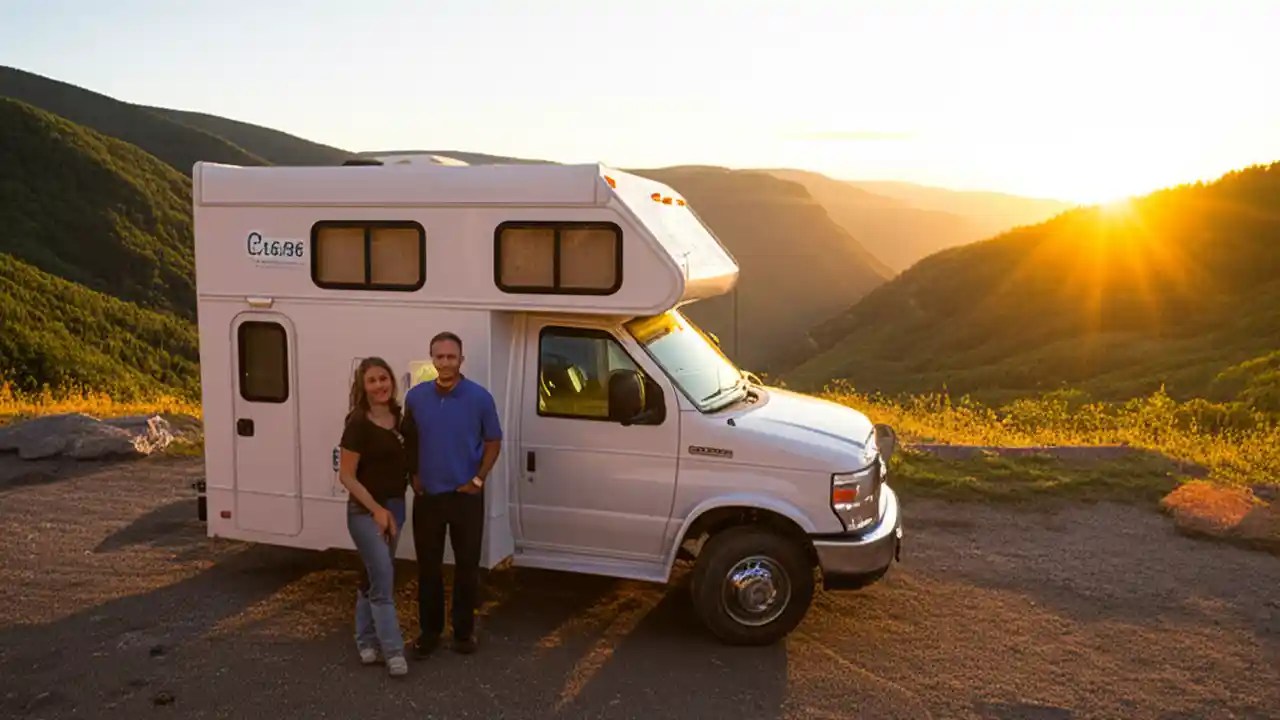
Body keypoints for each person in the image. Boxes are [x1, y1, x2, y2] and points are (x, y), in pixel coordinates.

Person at [403, 331, 502, 656]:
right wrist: (413, 475)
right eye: (439, 356)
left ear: (461, 360)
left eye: (451, 357)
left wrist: (478, 479)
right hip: (429, 497)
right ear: (432, 359)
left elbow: (493, 441)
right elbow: (409, 440)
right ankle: (429, 633)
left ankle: (463, 633)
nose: (445, 362)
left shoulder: (480, 398)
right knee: (428, 568)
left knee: (466, 567)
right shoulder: (416, 398)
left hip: (466, 497)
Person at [338, 357, 411, 677]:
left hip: (396, 507)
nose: (380, 385)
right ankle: (394, 652)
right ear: (362, 386)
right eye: (372, 380)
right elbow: (347, 476)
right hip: (364, 512)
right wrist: (377, 510)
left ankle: (365, 640)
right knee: (383, 580)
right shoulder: (357, 423)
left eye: (384, 378)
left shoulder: (398, 418)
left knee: (371, 577)